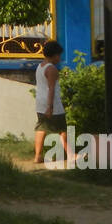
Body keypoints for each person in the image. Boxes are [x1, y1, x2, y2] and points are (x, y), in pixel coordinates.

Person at [33, 39, 71, 167]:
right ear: (54, 55)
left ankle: (37, 155)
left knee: (41, 128)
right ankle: (71, 154)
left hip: (40, 103)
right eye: (59, 55)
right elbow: (51, 89)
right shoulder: (52, 69)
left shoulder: (40, 66)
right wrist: (50, 107)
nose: (59, 58)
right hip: (52, 104)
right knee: (62, 129)